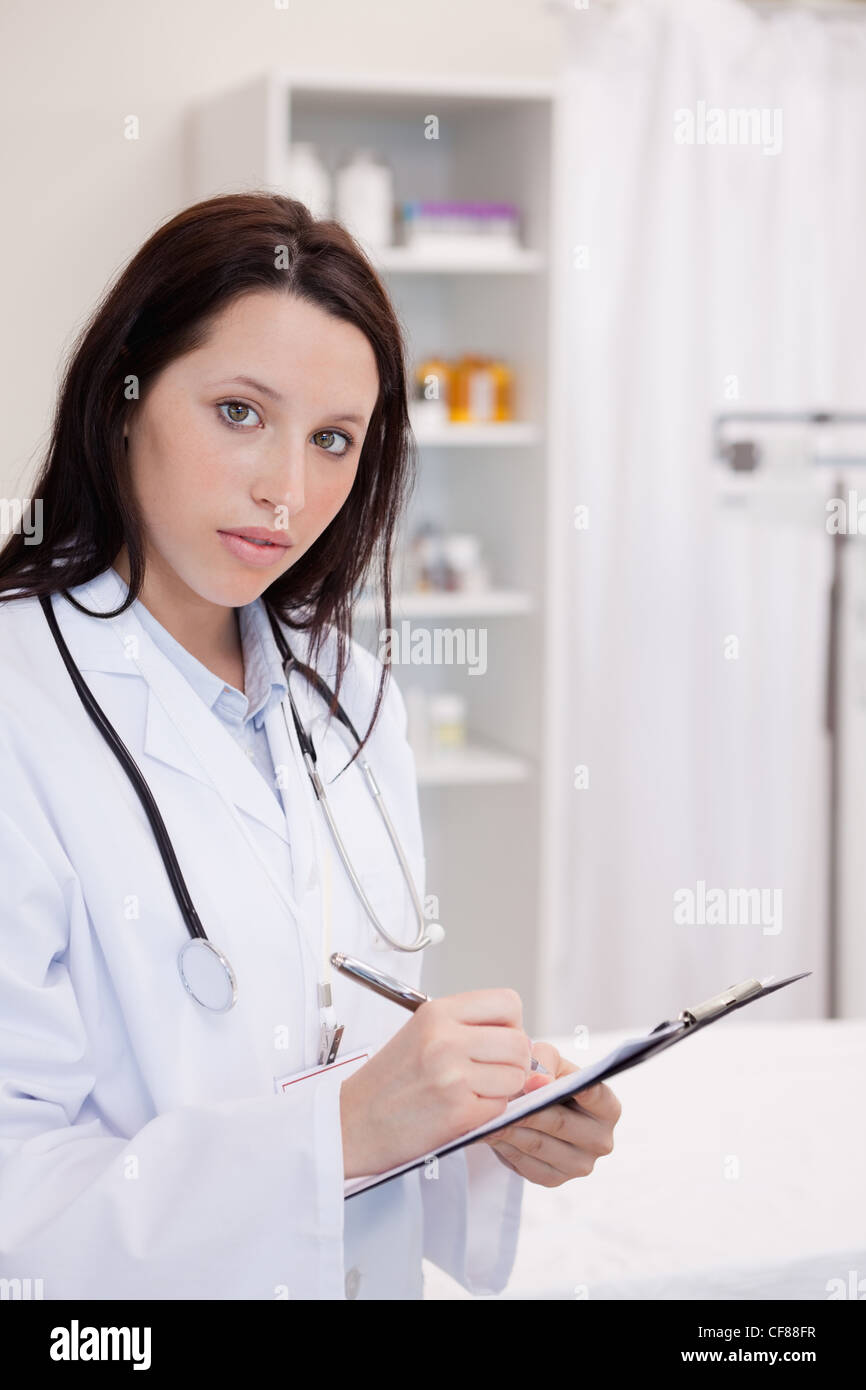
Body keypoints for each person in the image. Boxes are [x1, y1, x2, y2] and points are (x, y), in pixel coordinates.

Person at [0, 192, 621, 1300]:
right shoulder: (19, 701)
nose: (287, 491)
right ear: (125, 394)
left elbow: (350, 1054)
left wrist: (479, 1120)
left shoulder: (349, 694)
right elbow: (17, 1198)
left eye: (334, 438)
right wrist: (340, 1129)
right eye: (240, 411)